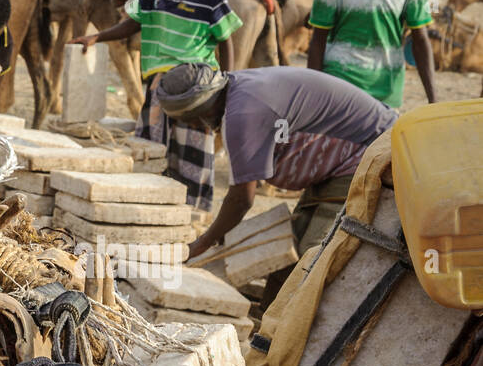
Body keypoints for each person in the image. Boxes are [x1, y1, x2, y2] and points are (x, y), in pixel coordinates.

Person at [156, 63, 397, 306]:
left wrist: (205, 241)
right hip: (338, 164)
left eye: (187, 121)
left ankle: (300, 335)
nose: (194, 128)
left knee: (312, 259)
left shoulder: (242, 114)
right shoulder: (237, 89)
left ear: (201, 111)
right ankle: (268, 325)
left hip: (369, 153)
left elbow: (241, 200)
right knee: (287, 252)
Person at [68, 0, 241, 210]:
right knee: (152, 158)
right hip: (158, 89)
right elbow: (135, 22)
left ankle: (192, 224)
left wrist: (227, 89)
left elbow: (226, 40)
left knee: (192, 162)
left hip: (195, 91)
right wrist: (97, 38)